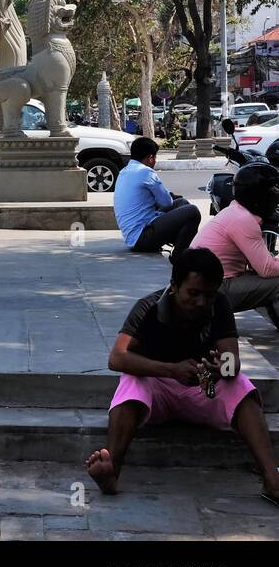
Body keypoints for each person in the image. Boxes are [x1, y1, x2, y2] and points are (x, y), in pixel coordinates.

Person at [85, 248, 279, 505]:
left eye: (208, 295)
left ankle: (272, 479)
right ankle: (112, 469)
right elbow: (117, 358)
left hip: (202, 387)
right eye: (193, 293)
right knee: (132, 379)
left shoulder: (219, 305)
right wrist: (171, 370)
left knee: (240, 384)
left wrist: (221, 367)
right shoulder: (148, 307)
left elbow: (232, 361)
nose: (201, 302)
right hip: (159, 390)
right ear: (175, 286)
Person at [191, 162, 279, 328]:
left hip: (199, 286)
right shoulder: (243, 220)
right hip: (211, 290)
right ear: (260, 196)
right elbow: (266, 269)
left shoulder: (234, 211)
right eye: (273, 191)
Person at [112, 136, 201, 255]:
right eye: (155, 157)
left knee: (181, 203)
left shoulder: (124, 171)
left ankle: (182, 246)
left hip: (134, 235)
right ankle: (179, 256)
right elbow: (167, 202)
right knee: (192, 211)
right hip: (142, 237)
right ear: (150, 158)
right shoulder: (145, 172)